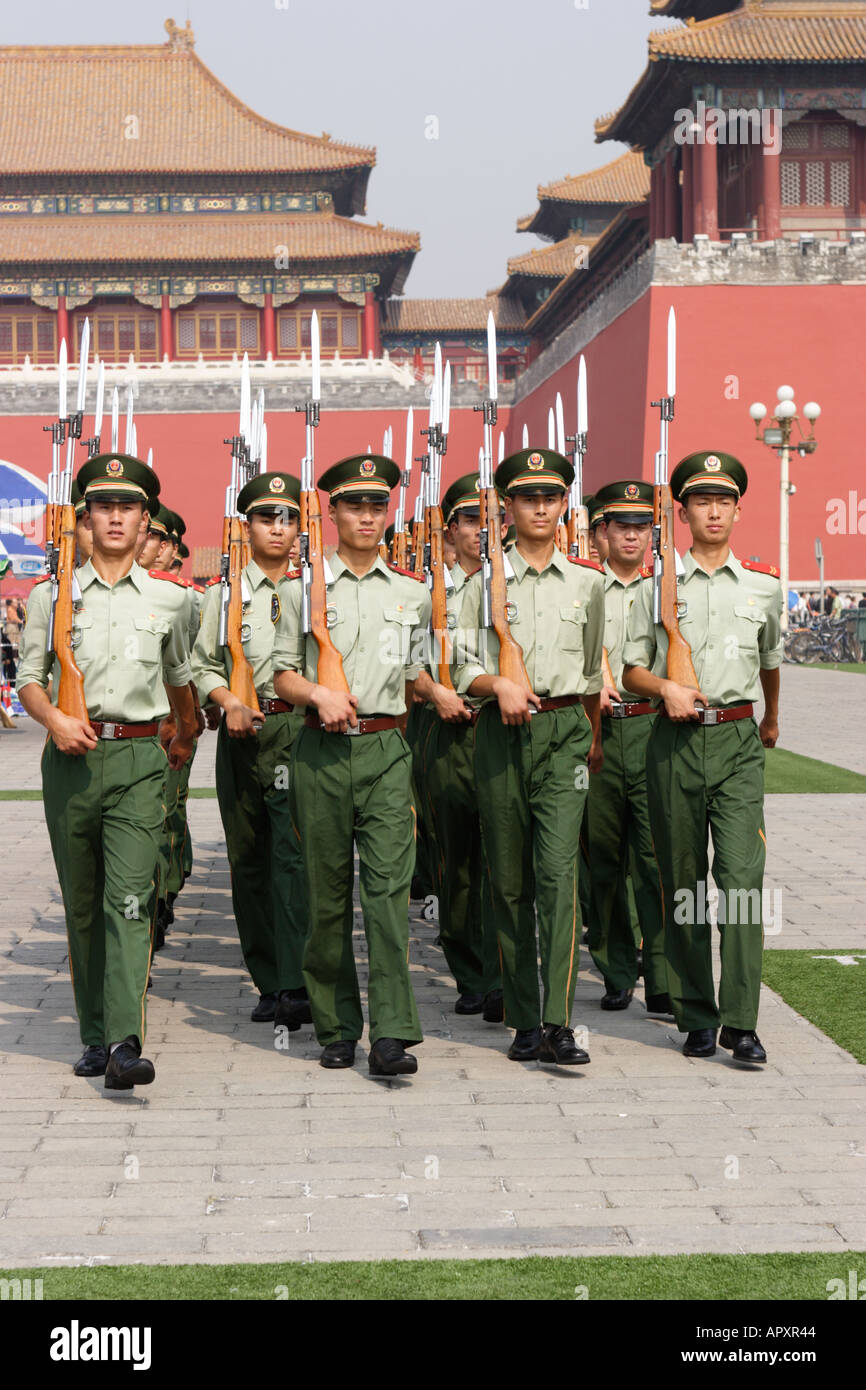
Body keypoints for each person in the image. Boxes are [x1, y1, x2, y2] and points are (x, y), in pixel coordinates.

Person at [16, 452, 197, 1089]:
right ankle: (94, 1034)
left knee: (129, 899)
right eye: (104, 507)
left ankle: (124, 1040)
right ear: (86, 518)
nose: (116, 518)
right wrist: (54, 721)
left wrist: (183, 734)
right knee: (83, 904)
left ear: (146, 520)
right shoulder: (53, 597)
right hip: (71, 760)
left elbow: (180, 679)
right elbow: (29, 681)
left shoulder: (171, 602)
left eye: (128, 508)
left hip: (140, 762)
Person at [272, 453, 431, 1077]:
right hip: (320, 752)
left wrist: (440, 690)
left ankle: (392, 1032)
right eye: (355, 505)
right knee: (326, 894)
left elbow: (415, 671)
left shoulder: (414, 594)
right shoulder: (300, 588)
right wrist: (317, 694)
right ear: (332, 511)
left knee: (389, 891)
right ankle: (337, 1026)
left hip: (388, 750)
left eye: (378, 505)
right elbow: (279, 675)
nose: (368, 516)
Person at [622, 449, 782, 1064]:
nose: (714, 511)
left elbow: (769, 661)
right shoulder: (657, 585)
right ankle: (695, 1011)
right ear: (683, 511)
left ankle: (741, 1021)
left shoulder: (764, 585)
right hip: (675, 743)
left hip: (738, 741)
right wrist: (665, 688)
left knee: (741, 880)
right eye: (701, 501)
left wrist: (771, 718)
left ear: (739, 508)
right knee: (682, 879)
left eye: (724, 501)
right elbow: (631, 668)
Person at [453, 447, 604, 1065]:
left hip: (565, 727)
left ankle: (559, 1021)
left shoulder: (589, 584)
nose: (540, 507)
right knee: (508, 878)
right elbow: (460, 666)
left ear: (565, 504)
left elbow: (594, 671)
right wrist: (499, 685)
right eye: (527, 498)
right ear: (507, 507)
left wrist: (591, 737)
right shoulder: (478, 585)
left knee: (557, 873)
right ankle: (521, 1017)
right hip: (499, 733)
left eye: (551, 497)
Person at [192, 473, 310, 1027]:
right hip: (241, 738)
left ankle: (299, 979)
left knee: (297, 859)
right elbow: (202, 665)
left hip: (300, 734)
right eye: (267, 518)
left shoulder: (315, 588)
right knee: (249, 859)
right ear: (247, 526)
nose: (279, 529)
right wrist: (226, 701)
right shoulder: (223, 595)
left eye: (288, 518)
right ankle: (268, 979)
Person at [413, 472, 503, 1020]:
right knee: (455, 862)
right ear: (450, 530)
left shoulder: (514, 583)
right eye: (470, 520)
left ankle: (501, 974)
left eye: (489, 519)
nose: (480, 531)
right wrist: (434, 691)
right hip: (445, 732)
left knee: (503, 860)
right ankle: (469, 969)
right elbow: (405, 664)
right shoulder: (427, 592)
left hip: (503, 731)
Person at [586, 480, 671, 1016]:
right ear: (602, 533)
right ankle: (617, 969)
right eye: (623, 526)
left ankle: (662, 974)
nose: (633, 536)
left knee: (656, 859)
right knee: (603, 862)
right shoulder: (581, 584)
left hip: (652, 732)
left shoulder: (666, 588)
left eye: (642, 527)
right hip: (595, 735)